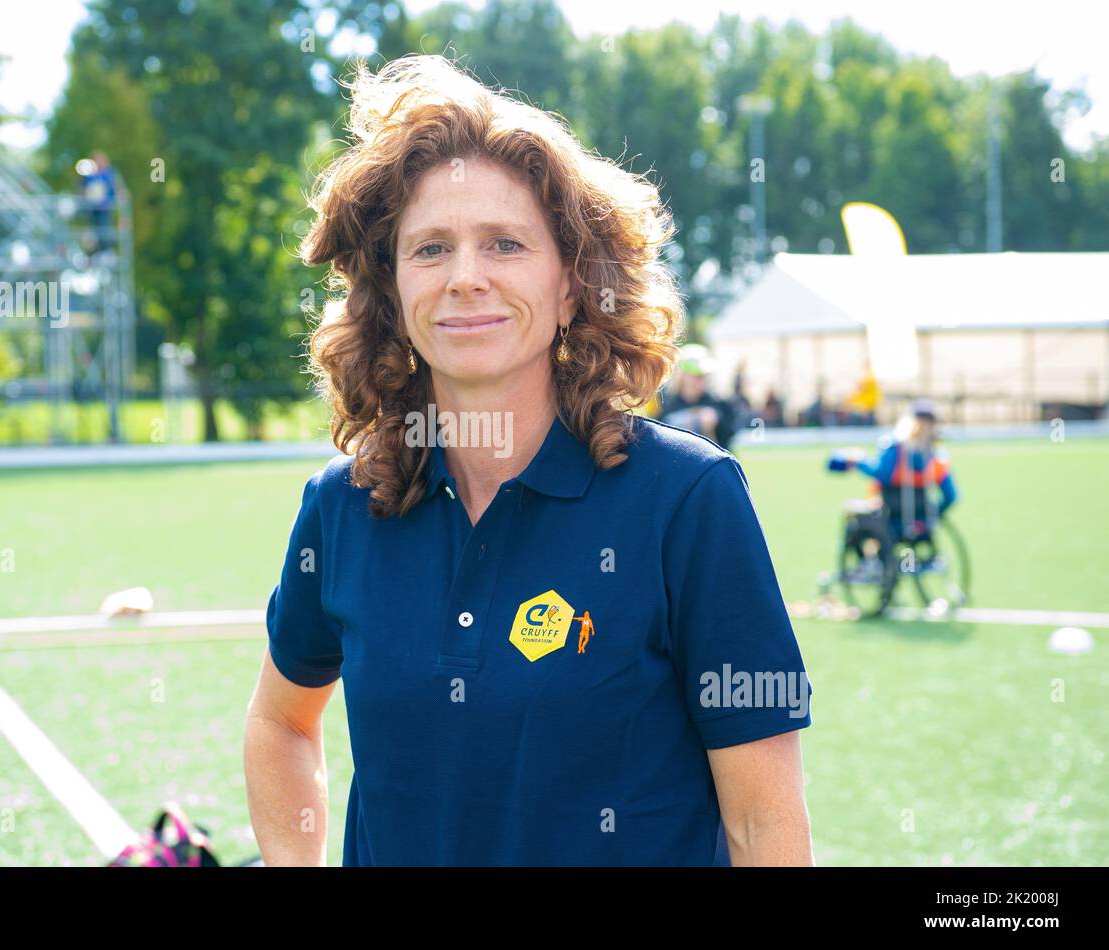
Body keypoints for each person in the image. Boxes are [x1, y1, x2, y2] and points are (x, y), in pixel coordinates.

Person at [243, 55, 813, 867]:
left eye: (505, 245)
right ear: (392, 290)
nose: (466, 278)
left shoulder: (688, 499)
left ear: (574, 286)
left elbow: (764, 828)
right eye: (431, 249)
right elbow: (280, 723)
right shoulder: (341, 508)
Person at [828, 398, 958, 541]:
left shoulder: (895, 447)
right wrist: (932, 516)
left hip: (890, 517)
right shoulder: (937, 459)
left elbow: (881, 473)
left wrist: (859, 460)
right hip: (921, 521)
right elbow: (950, 497)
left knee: (856, 516)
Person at [658, 344, 740, 450]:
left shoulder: (718, 403)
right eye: (696, 376)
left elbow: (728, 441)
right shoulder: (664, 404)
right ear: (682, 376)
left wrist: (714, 425)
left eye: (704, 376)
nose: (701, 381)